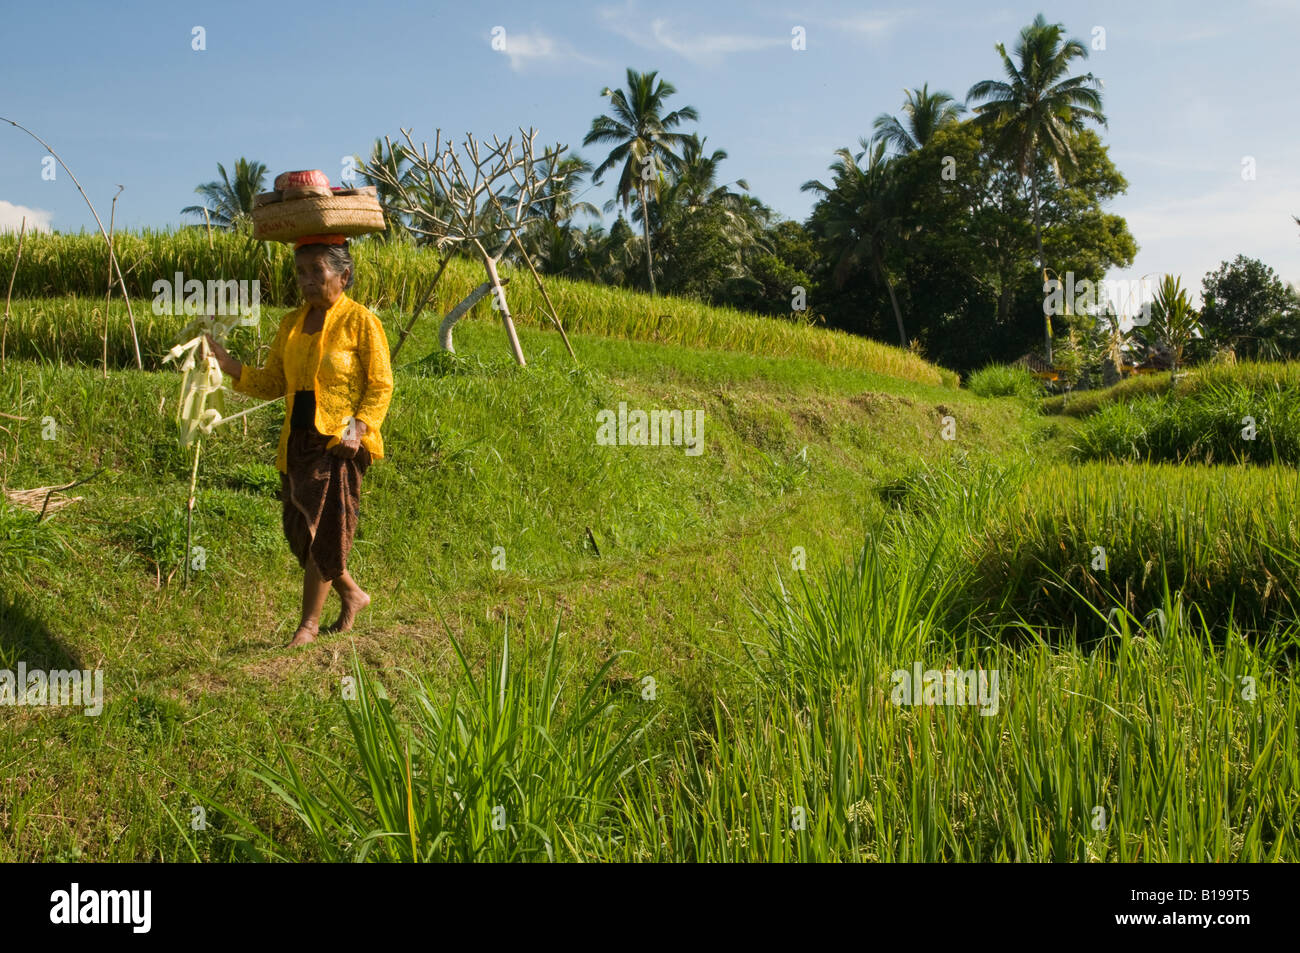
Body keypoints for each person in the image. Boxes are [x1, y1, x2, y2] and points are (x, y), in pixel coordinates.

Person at [206, 234, 393, 648]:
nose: (307, 280)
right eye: (300, 271)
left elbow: (380, 384)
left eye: (317, 271)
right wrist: (228, 364)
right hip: (297, 441)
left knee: (321, 529)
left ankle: (307, 627)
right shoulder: (291, 323)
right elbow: (274, 383)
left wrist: (358, 428)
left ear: (343, 276)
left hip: (338, 443)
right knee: (300, 532)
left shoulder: (360, 321)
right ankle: (353, 593)